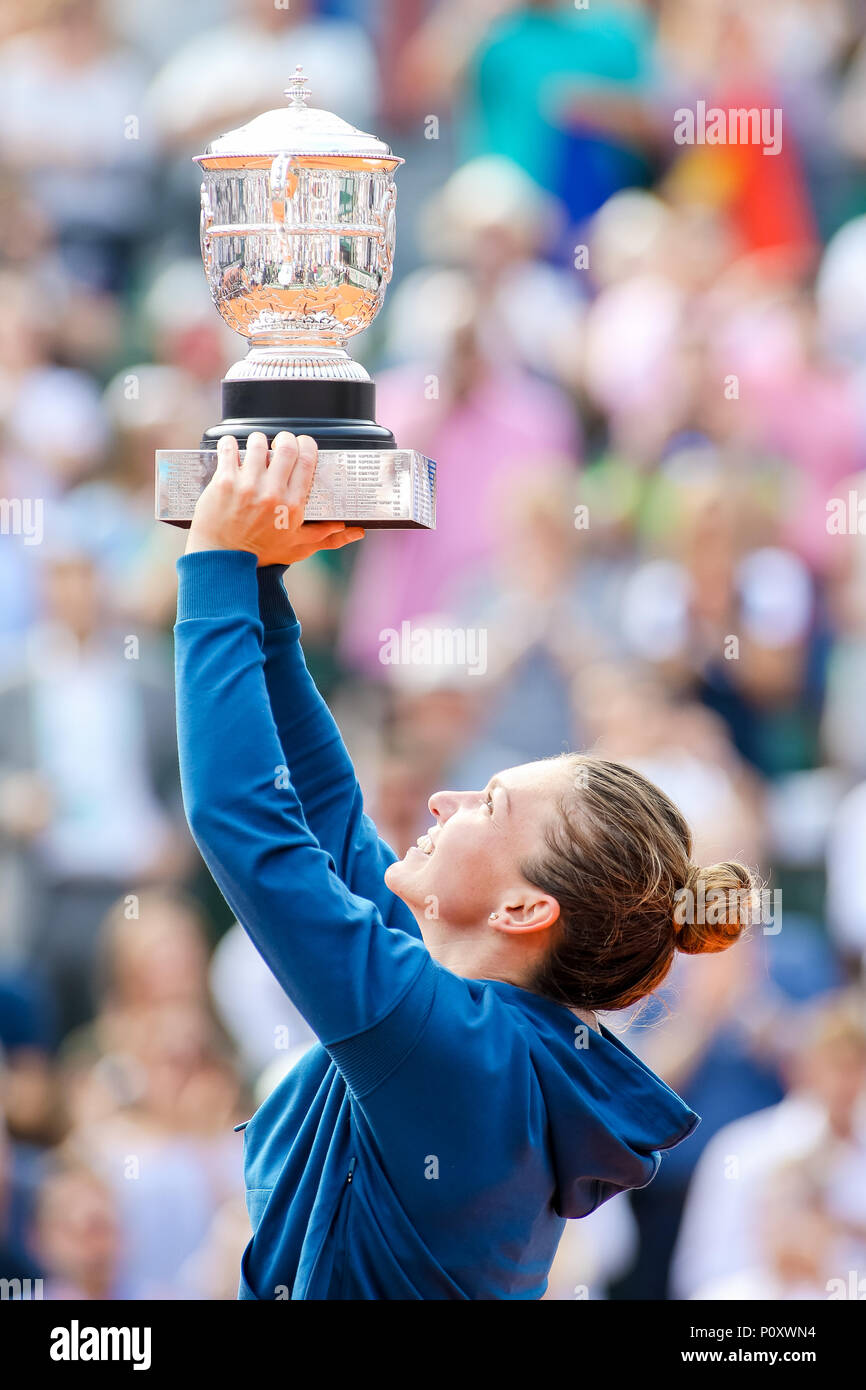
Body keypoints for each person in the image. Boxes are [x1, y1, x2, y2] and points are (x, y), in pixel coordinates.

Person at [173, 430, 755, 1302]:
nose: (444, 803)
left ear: (523, 911)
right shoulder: (478, 1017)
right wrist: (262, 584)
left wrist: (213, 564)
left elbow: (245, 827)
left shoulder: (461, 1050)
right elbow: (329, 815)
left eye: (489, 804)